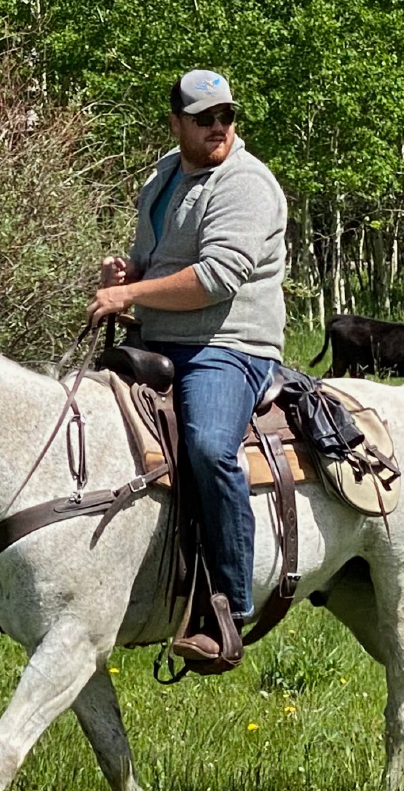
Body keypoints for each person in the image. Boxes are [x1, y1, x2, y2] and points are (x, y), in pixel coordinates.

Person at [85, 69, 287, 671]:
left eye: (226, 116)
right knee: (81, 421)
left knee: (208, 447)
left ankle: (228, 604)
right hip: (158, 338)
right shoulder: (164, 175)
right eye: (204, 119)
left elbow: (218, 277)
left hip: (228, 345)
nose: (218, 127)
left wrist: (130, 294)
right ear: (176, 124)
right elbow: (158, 261)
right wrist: (128, 274)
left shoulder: (246, 184)